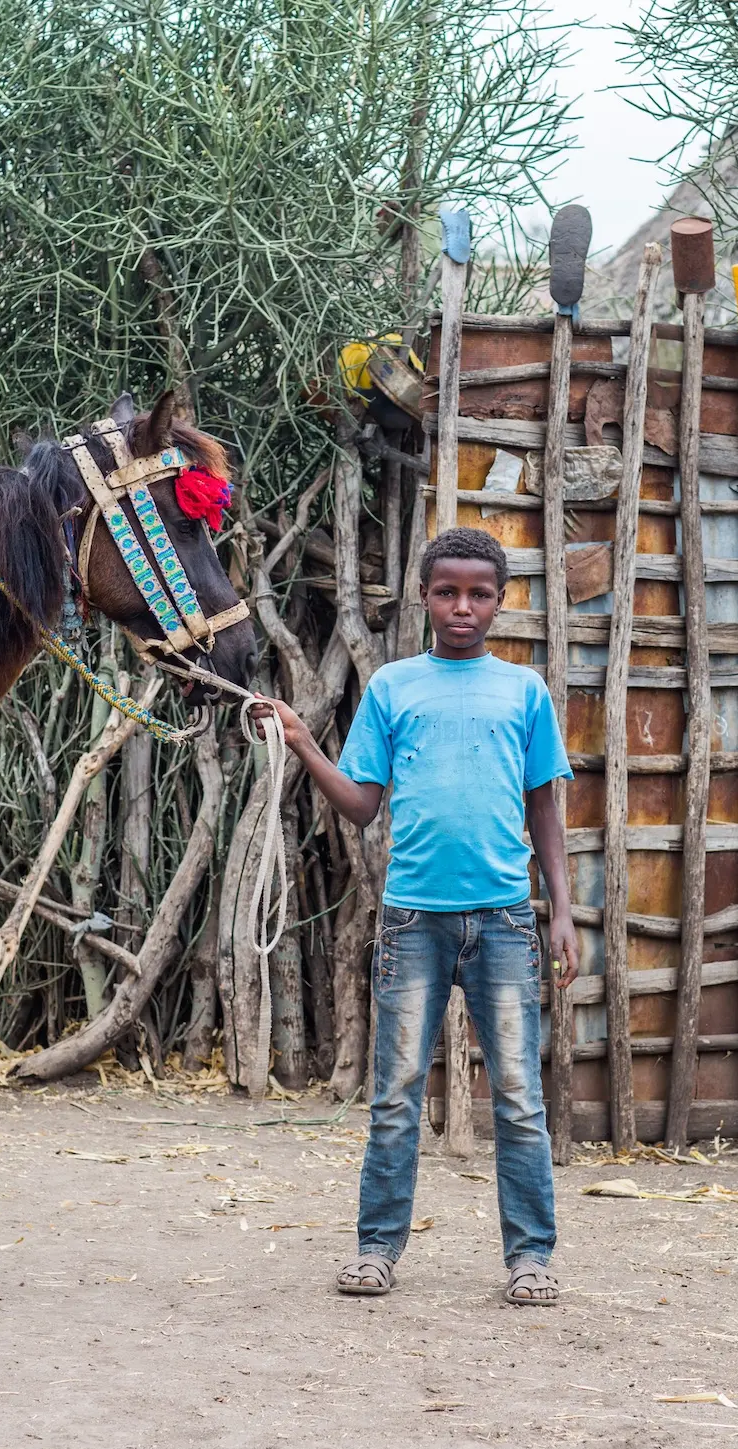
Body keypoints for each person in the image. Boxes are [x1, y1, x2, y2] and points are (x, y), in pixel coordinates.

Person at [252, 526, 579, 1306]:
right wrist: (301, 742)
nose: (461, 607)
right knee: (394, 1094)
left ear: (500, 603)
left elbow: (545, 809)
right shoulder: (394, 688)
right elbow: (362, 807)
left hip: (503, 921)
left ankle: (530, 1258)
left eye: (478, 593)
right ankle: (375, 1251)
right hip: (411, 923)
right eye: (446, 592)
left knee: (518, 1100)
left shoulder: (523, 692)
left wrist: (561, 911)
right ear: (424, 597)